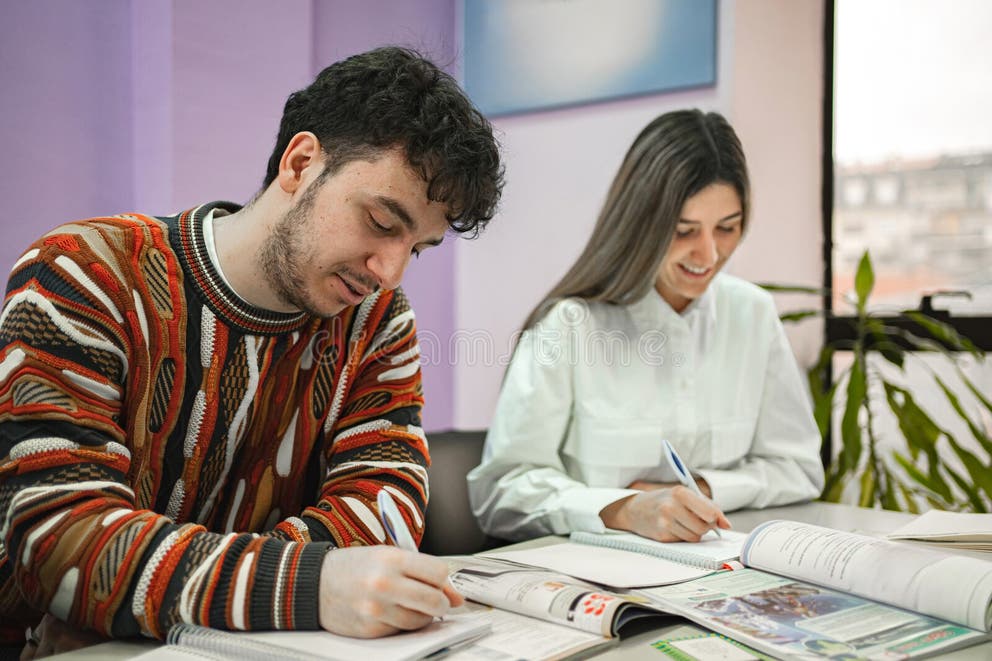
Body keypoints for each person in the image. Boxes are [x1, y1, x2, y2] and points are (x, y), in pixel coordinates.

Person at [0, 46, 503, 658]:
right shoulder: (86, 274)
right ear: (300, 163)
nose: (390, 272)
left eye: (418, 248)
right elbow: (62, 542)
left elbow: (386, 508)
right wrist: (310, 584)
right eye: (380, 220)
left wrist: (142, 601)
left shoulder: (377, 321)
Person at [467, 109, 823, 544]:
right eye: (683, 230)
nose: (708, 254)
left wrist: (701, 491)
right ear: (643, 224)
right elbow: (501, 490)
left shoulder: (753, 314)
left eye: (726, 228)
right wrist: (624, 509)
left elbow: (798, 467)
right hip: (600, 577)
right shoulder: (570, 325)